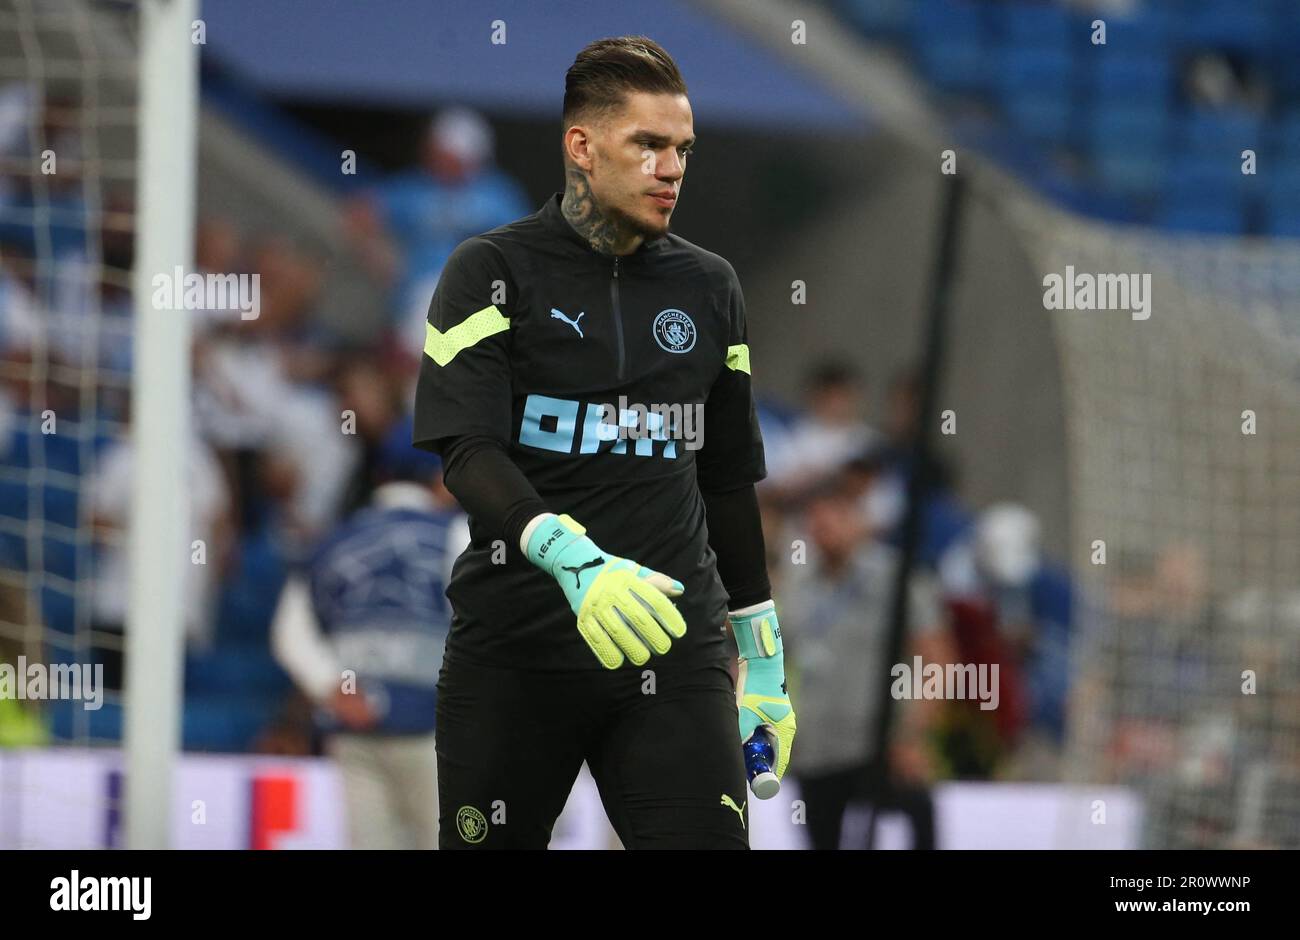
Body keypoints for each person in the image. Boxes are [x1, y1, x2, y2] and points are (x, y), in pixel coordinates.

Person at [411, 36, 795, 849]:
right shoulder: (488, 271)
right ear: (581, 147)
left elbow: (726, 480)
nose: (671, 168)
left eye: (683, 149)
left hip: (673, 655)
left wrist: (762, 657)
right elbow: (468, 451)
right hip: (518, 653)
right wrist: (573, 562)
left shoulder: (711, 287)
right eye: (647, 145)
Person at [270, 438, 468, 849]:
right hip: (435, 733)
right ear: (441, 479)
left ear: (380, 476)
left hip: (354, 728)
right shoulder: (458, 535)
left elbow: (290, 634)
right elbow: (491, 625)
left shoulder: (333, 540)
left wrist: (334, 687)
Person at [784, 464, 952, 850]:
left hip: (882, 745)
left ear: (857, 518)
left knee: (917, 820)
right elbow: (767, 656)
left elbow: (936, 657)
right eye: (816, 518)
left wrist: (914, 733)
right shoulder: (799, 590)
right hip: (817, 751)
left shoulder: (896, 579)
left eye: (835, 514)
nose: (823, 526)